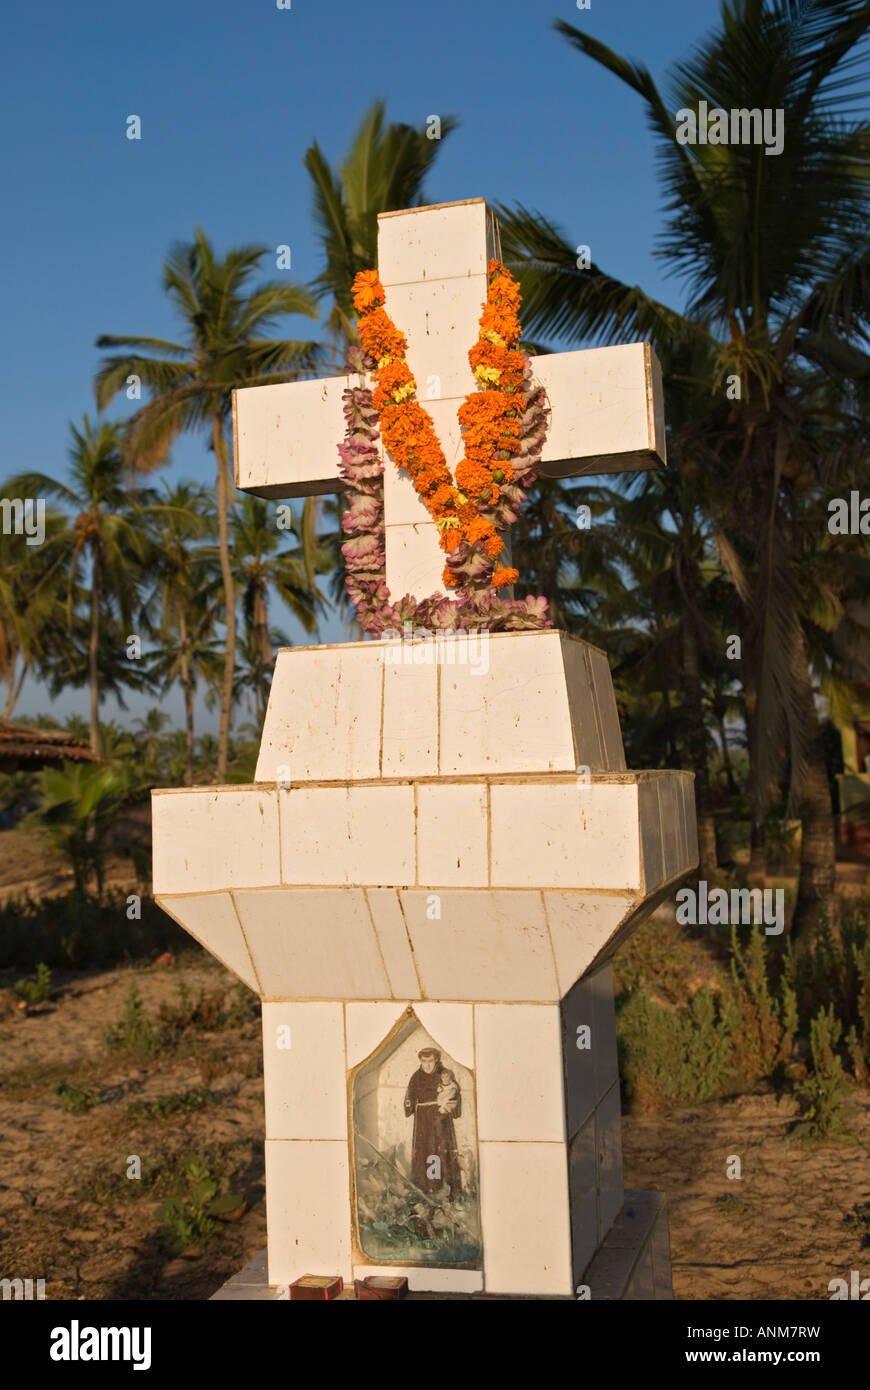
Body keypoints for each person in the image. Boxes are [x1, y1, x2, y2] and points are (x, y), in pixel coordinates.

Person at [403, 1047, 462, 1196]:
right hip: (423, 1121)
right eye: (424, 1062)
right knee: (425, 1151)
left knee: (441, 1150)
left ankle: (447, 1189)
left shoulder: (445, 1075)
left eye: (430, 1061)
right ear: (420, 1061)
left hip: (440, 1120)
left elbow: (454, 1093)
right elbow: (409, 1097)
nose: (427, 1065)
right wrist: (409, 1105)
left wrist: (450, 1107)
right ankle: (425, 1188)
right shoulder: (416, 1077)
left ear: (436, 1060)